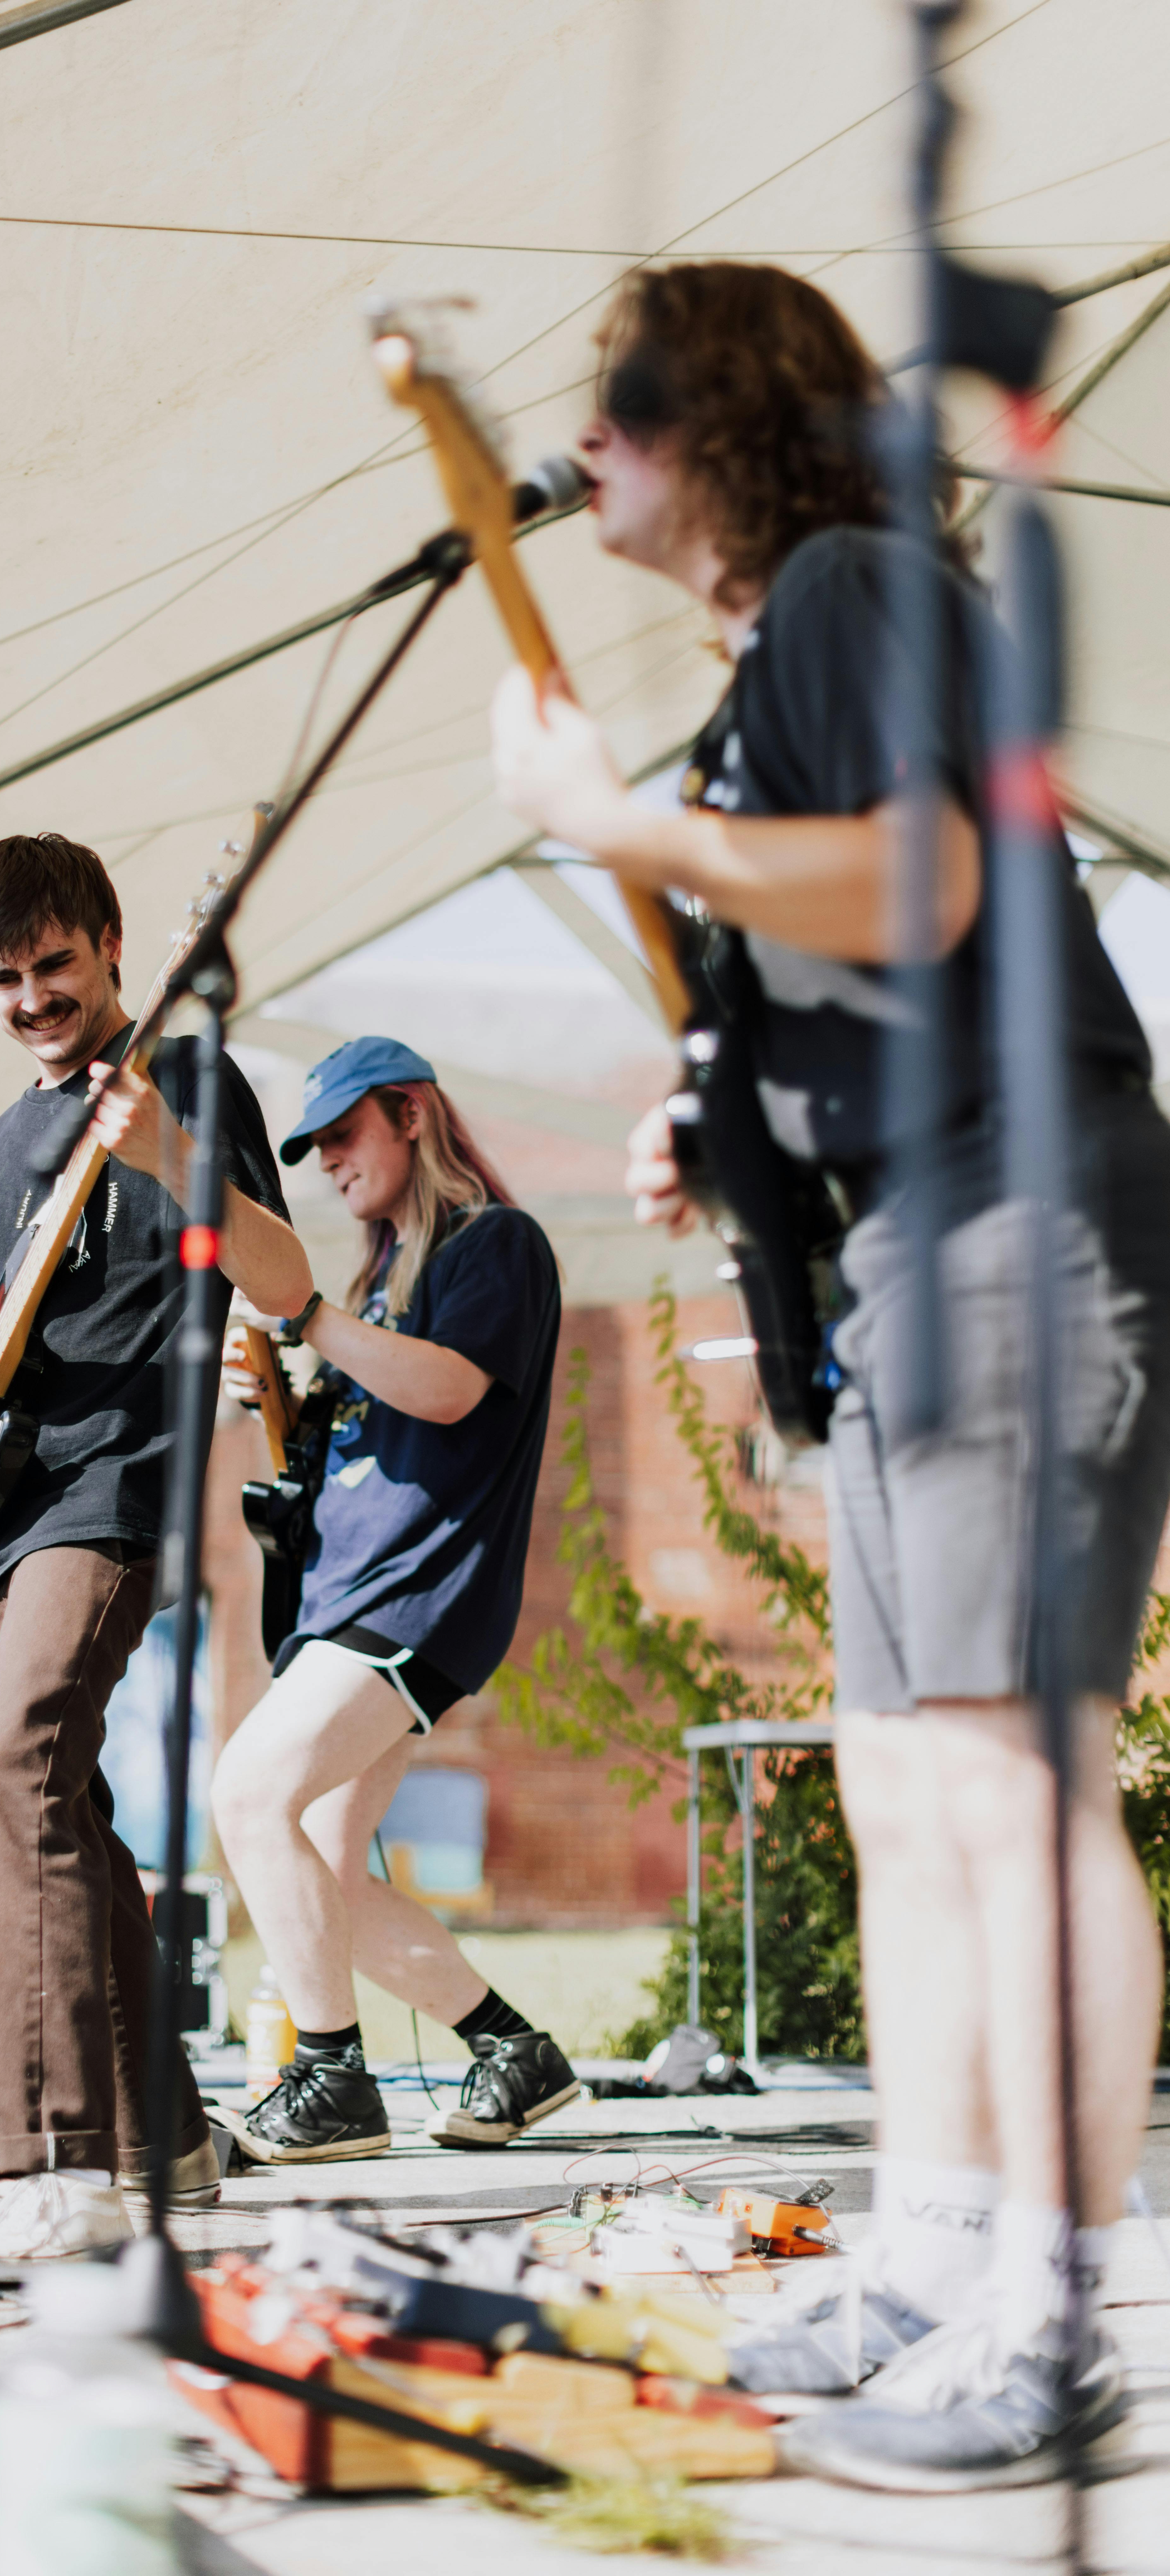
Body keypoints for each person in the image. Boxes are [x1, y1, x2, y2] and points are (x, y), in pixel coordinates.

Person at [490, 260, 1170, 2489]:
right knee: (902, 1776)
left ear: (720, 415)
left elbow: (931, 870)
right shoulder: (793, 651)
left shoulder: (867, 584)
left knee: (1005, 1774)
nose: (587, 448)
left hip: (1013, 1222)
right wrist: (741, 1118)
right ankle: (932, 2246)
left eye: (618, 406)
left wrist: (635, 834)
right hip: (904, 1245)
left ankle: (1054, 2307)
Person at [0, 832, 311, 2259]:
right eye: (3, 977)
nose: (33, 996)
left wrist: (172, 1158)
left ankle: (50, 2153)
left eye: (54, 962)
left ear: (114, 943)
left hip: (116, 1490)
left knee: (7, 1771)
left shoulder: (188, 1081)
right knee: (62, 1807)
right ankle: (165, 2129)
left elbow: (290, 1282)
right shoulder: (5, 1142)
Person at [212, 1037, 579, 2163]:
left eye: (343, 1133)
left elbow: (454, 1390)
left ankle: (329, 2080)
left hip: (416, 1594)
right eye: (315, 1146)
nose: (327, 1162)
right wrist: (277, 1394)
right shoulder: (382, 1284)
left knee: (246, 1794)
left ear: (411, 1114)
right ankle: (513, 2054)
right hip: (354, 1596)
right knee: (317, 1862)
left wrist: (311, 1318)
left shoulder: (495, 1246)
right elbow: (368, 1434)